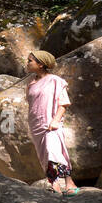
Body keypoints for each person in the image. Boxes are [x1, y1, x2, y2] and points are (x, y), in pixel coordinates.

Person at [25, 50, 78, 194]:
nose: (27, 63)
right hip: (35, 124)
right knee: (44, 155)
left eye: (30, 61)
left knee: (53, 151)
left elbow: (64, 103)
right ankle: (61, 183)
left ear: (41, 64)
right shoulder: (31, 83)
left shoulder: (55, 80)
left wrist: (55, 120)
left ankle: (62, 182)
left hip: (51, 123)